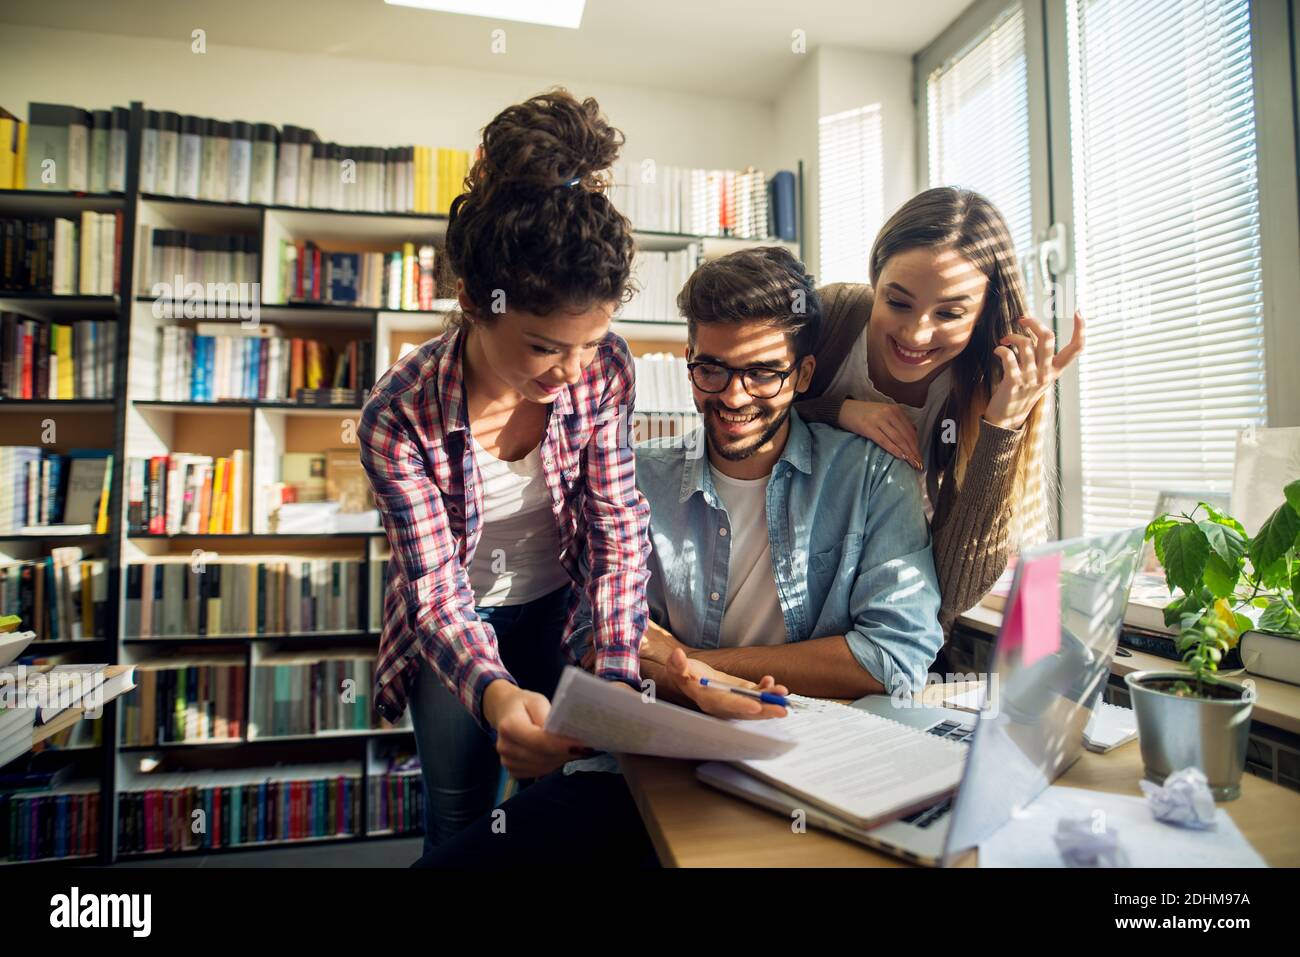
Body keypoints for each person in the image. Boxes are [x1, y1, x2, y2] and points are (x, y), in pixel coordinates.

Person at [415, 246, 943, 867]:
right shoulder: (635, 478)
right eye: (711, 370)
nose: (733, 397)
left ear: (803, 375)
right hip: (643, 773)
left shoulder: (872, 476)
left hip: (815, 770)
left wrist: (699, 669)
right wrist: (686, 681)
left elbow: (895, 654)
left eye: (763, 374)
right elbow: (594, 633)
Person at [358, 89, 651, 856]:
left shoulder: (604, 369)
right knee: (459, 825)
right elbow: (435, 591)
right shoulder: (398, 414)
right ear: (471, 302)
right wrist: (493, 693)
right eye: (543, 346)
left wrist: (613, 690)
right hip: (457, 624)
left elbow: (616, 530)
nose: (572, 370)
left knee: (556, 810)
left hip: (559, 610)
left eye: (589, 342)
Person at [796, 187, 1085, 643]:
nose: (916, 333)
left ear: (983, 310)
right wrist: (838, 411)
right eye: (897, 302)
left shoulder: (995, 385)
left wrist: (1001, 428)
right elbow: (736, 417)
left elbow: (954, 591)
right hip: (787, 612)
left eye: (950, 313)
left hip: (889, 635)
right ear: (875, 278)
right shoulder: (830, 318)